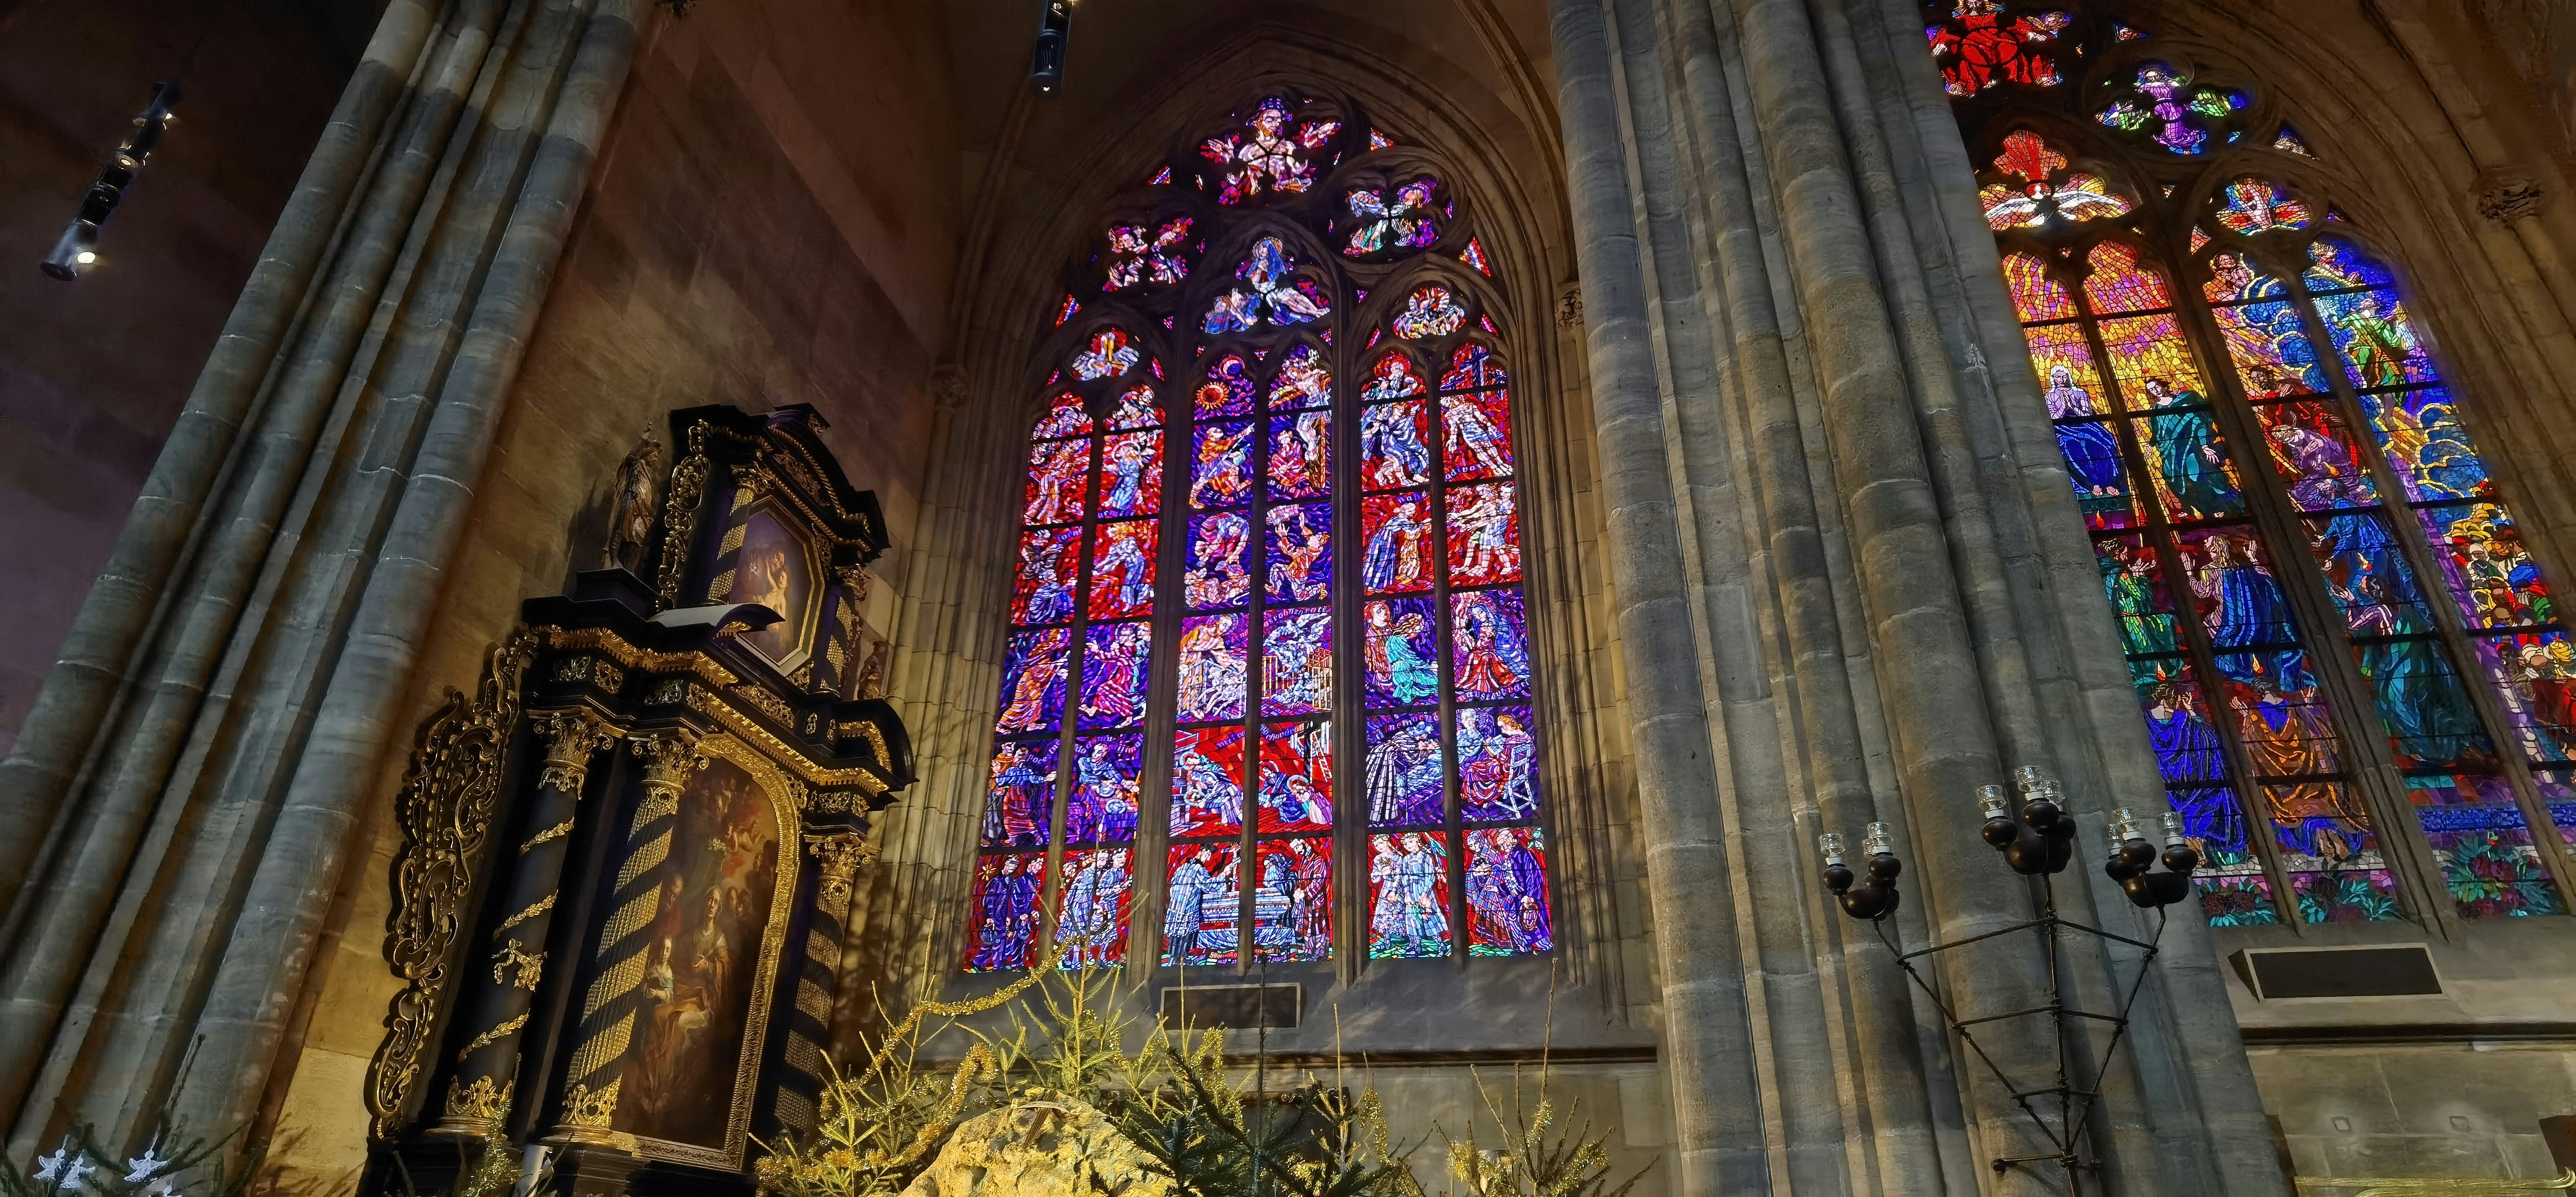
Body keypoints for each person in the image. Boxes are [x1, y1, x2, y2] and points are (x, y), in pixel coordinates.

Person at [1370, 833, 1446, 956]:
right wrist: (1407, 893)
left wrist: (1425, 894)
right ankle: (1416, 946)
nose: (1408, 846)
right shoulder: (1406, 859)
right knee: (1412, 921)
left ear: (1417, 841)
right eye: (1406, 843)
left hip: (1423, 891)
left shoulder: (1425, 857)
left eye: (1411, 842)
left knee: (1429, 919)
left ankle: (1441, 945)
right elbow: (1404, 878)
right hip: (1410, 892)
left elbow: (1430, 876)